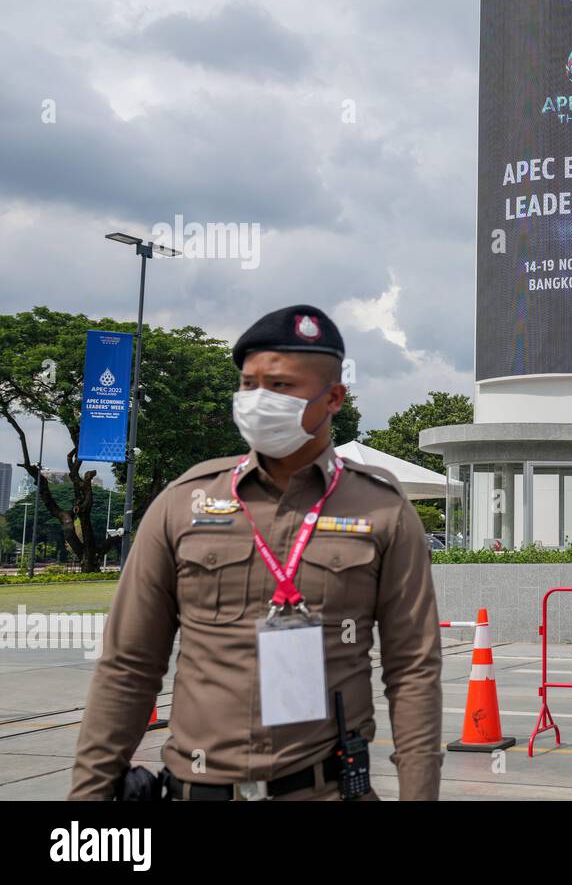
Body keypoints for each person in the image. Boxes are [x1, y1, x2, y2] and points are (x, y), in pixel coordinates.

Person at [69, 304, 443, 801]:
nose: (257, 399)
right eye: (248, 384)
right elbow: (128, 664)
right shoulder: (184, 502)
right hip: (197, 788)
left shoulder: (382, 509)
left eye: (281, 386)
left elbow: (413, 670)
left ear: (334, 396)